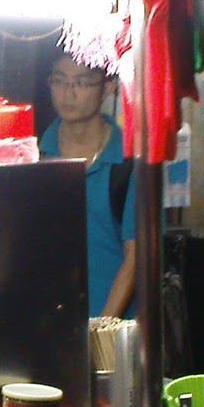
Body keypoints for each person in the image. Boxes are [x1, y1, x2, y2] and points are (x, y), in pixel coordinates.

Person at [39, 54, 136, 318]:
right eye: (59, 81)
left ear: (107, 88)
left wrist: (100, 329)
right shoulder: (35, 153)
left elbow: (135, 259)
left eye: (82, 83)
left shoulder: (128, 160)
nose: (68, 93)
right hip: (52, 325)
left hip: (113, 327)